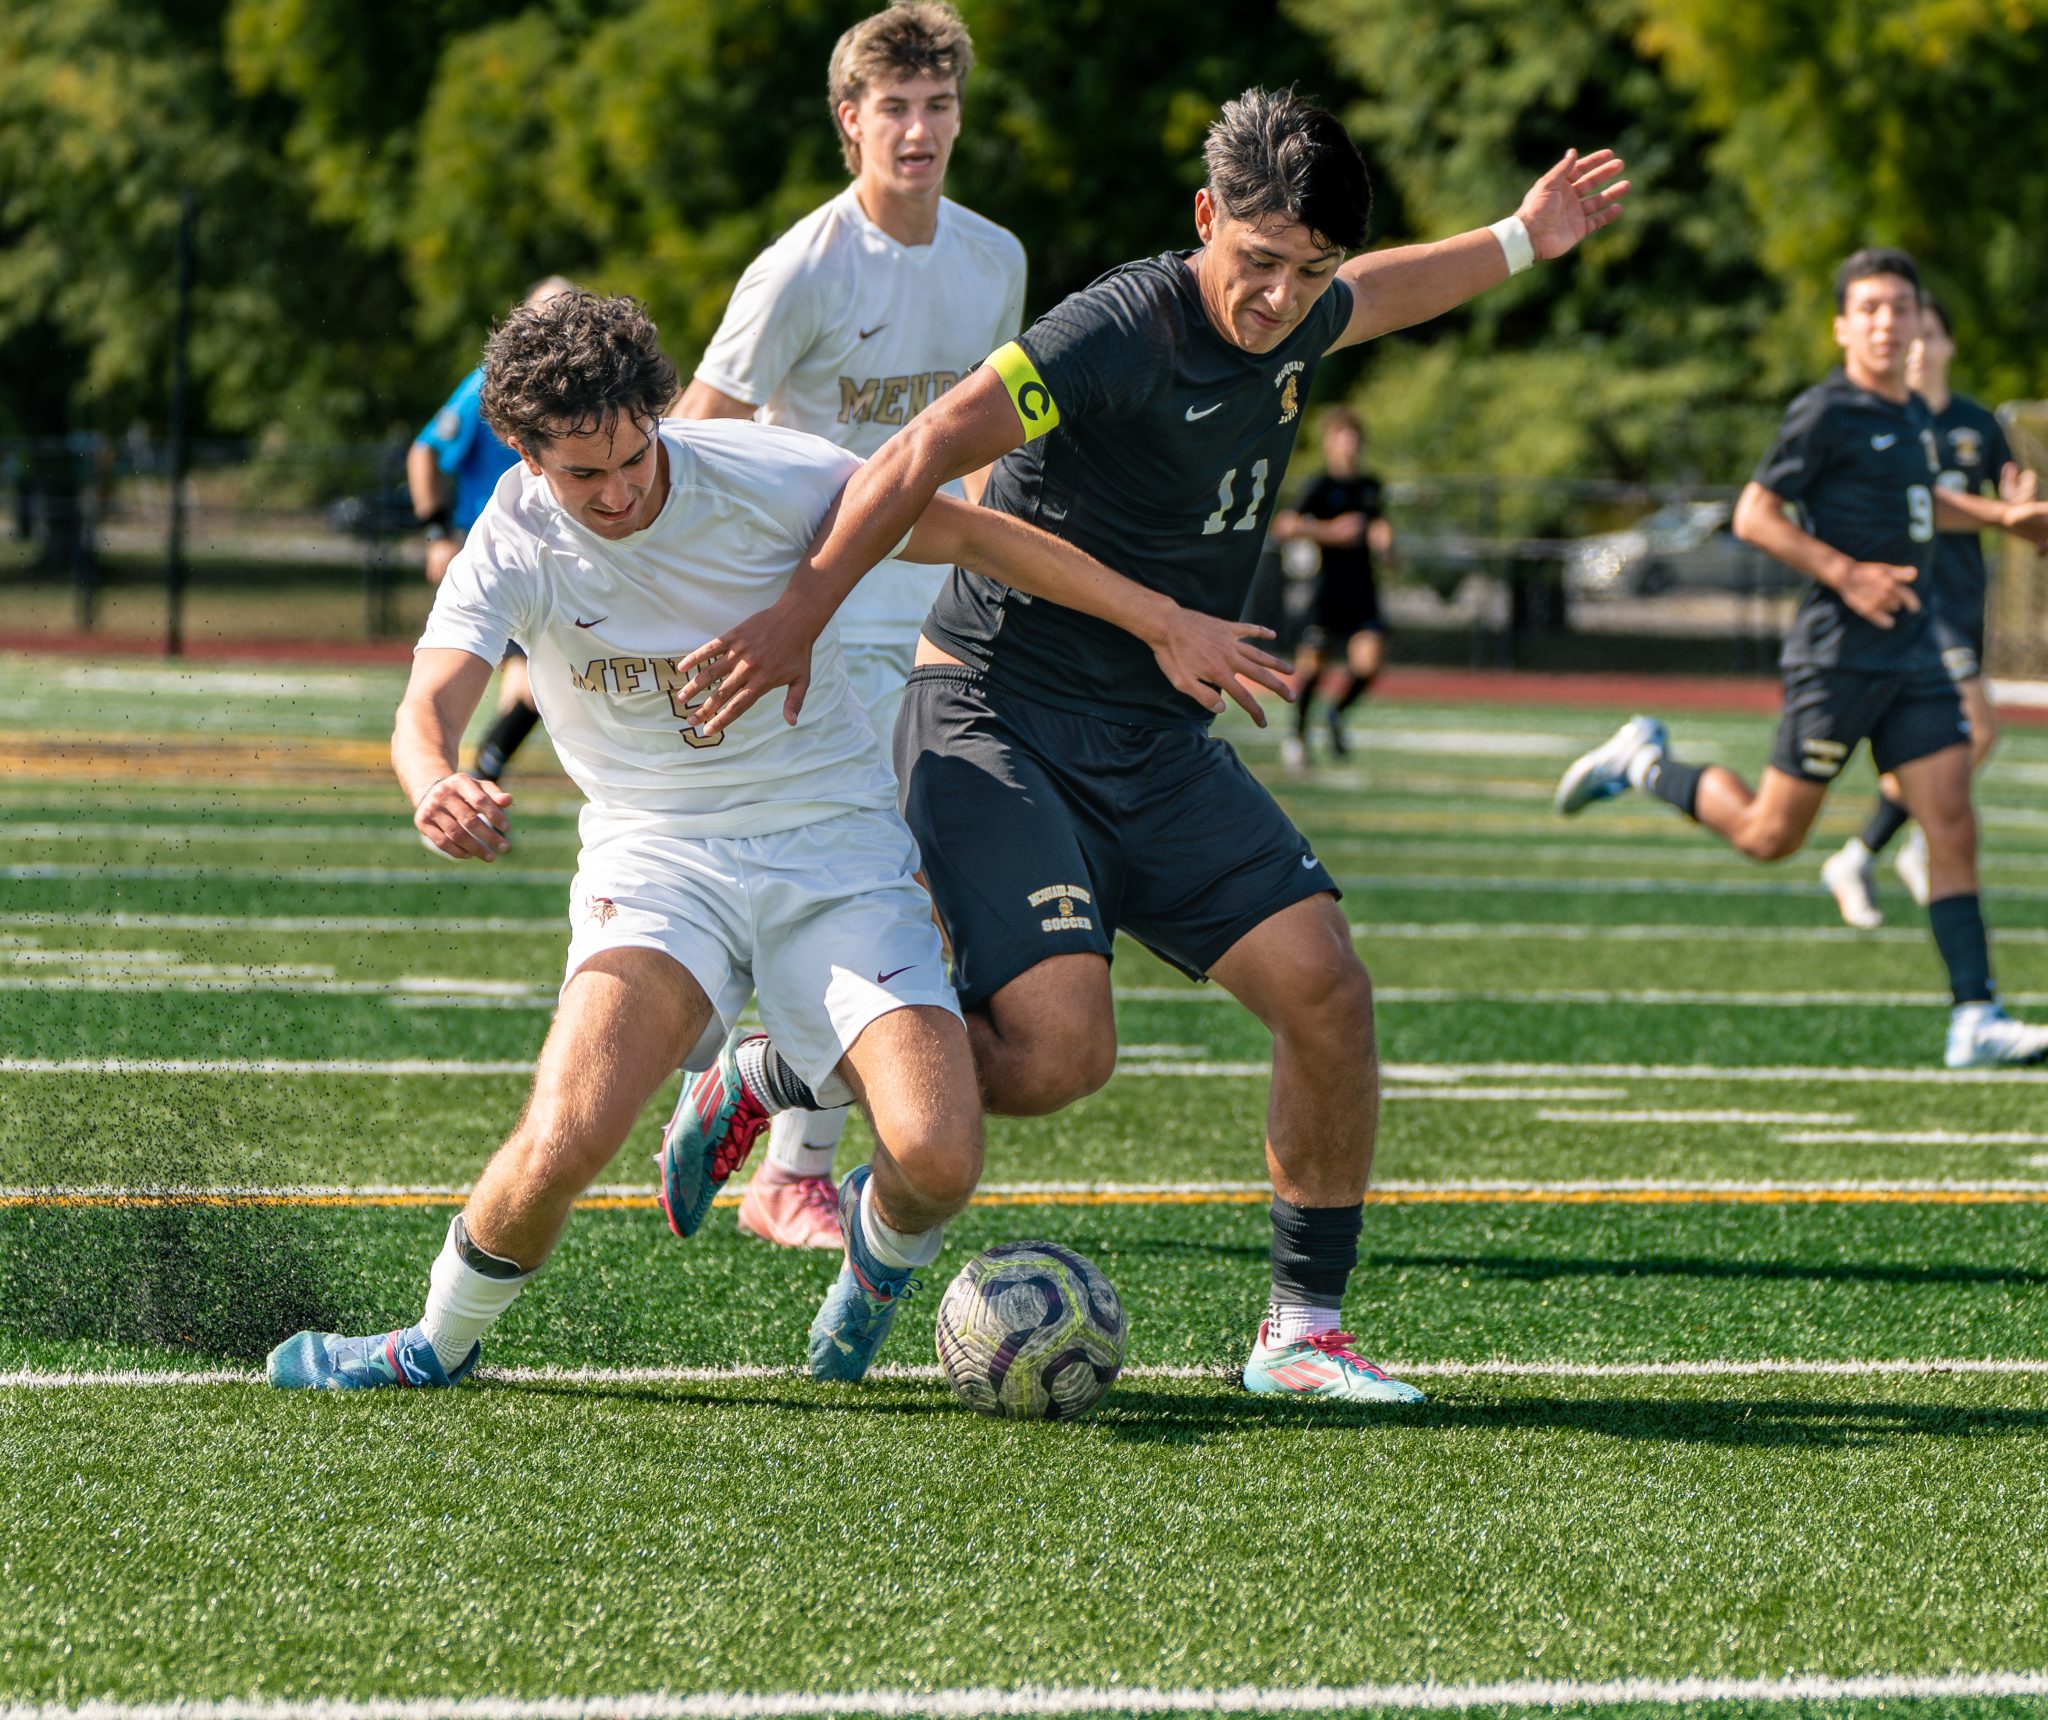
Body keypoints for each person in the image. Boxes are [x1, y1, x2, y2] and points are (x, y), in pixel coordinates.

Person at [658, 88, 1631, 1402]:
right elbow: (926, 449)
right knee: (1062, 1057)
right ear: (1203, 219)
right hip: (997, 710)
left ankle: (1301, 1333)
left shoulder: (1306, 305)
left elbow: (1384, 296)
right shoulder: (1118, 327)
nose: (1281, 298)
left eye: (1308, 273)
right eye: (1258, 263)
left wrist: (1521, 237)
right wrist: (794, 616)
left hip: (1156, 733)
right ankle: (782, 1068)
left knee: (1325, 986)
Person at [266, 290, 1283, 1392]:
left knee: (939, 1155)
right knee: (566, 1133)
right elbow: (430, 702)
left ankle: (869, 1253)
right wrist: (435, 783)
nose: (615, 493)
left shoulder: (768, 475)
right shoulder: (510, 534)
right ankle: (430, 1344)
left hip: (834, 846)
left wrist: (1162, 620)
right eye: (581, 475)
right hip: (657, 860)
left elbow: (976, 532)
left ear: (659, 416)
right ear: (525, 453)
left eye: (632, 459)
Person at [671, 1, 1024, 1251]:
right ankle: (785, 1153)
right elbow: (694, 429)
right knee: (871, 886)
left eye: (937, 107)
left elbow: (976, 453)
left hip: (934, 620)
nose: (918, 130)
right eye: (894, 109)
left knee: (899, 891)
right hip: (809, 618)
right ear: (850, 123)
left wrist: (995, 586)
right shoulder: (803, 267)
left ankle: (774, 1123)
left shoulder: (994, 260)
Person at [1555, 248, 2048, 1068]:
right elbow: (1754, 514)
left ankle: (1976, 1016)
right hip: (1839, 659)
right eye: (1871, 309)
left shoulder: (1917, 417)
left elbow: (1922, 501)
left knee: (1952, 820)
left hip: (1914, 653)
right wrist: (1845, 572)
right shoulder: (1824, 412)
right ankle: (1645, 764)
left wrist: (2001, 521)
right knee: (1768, 834)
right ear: (1843, 326)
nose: (1889, 322)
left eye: (1902, 307)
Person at [1820, 295, 2035, 925]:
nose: (1915, 347)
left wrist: (2018, 498)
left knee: (1944, 741)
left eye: (1929, 335)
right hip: (1919, 596)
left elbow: (2008, 492)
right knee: (1979, 726)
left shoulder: (1976, 423)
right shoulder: (1892, 423)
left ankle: (1865, 852)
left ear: (1946, 346)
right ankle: (1911, 843)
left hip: (1967, 595)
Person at [408, 275, 575, 783]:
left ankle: (480, 781)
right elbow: (425, 451)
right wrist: (437, 532)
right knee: (539, 683)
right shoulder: (489, 384)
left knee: (538, 684)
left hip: (559, 553)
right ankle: (473, 778)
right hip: (500, 556)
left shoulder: (586, 388)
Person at [1271, 405, 1393, 770]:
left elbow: (1379, 526)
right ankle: (1298, 734)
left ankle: (1336, 715)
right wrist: (1332, 532)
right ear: (1330, 443)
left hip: (1362, 591)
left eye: (1355, 438)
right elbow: (1285, 526)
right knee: (1313, 669)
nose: (1350, 445)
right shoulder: (1320, 486)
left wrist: (1386, 544)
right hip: (1325, 592)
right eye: (1343, 438)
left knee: (1368, 663)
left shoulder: (1371, 486)